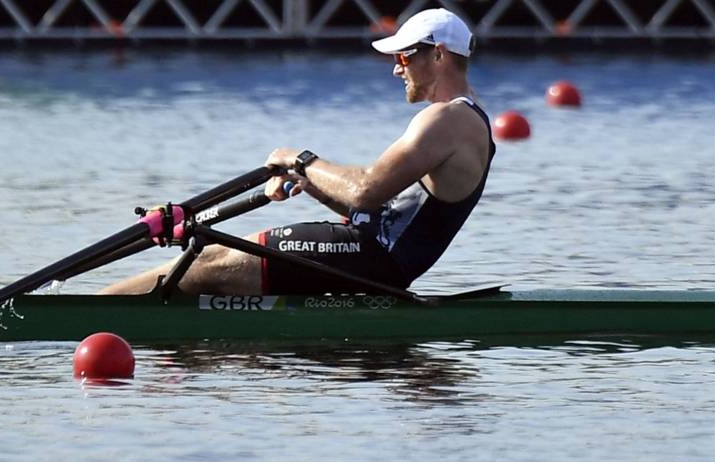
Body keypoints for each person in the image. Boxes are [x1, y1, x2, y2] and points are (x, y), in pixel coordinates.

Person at [101, 8, 494, 296]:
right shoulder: (459, 121)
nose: (396, 69)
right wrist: (311, 184)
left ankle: (88, 315)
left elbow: (365, 191)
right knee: (205, 265)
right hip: (369, 253)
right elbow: (388, 210)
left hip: (371, 258)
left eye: (404, 57)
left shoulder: (448, 121)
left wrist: (300, 159)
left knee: (208, 261)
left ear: (439, 55)